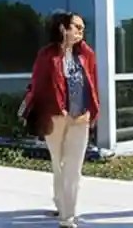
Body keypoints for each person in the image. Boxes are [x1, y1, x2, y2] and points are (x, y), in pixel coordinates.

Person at [25, 11, 100, 228]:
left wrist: (91, 111)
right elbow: (38, 87)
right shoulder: (46, 55)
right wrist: (55, 110)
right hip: (55, 118)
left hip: (80, 118)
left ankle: (68, 217)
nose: (81, 31)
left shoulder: (87, 54)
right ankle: (60, 201)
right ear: (63, 28)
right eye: (77, 26)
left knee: (73, 169)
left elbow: (93, 84)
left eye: (83, 27)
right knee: (58, 164)